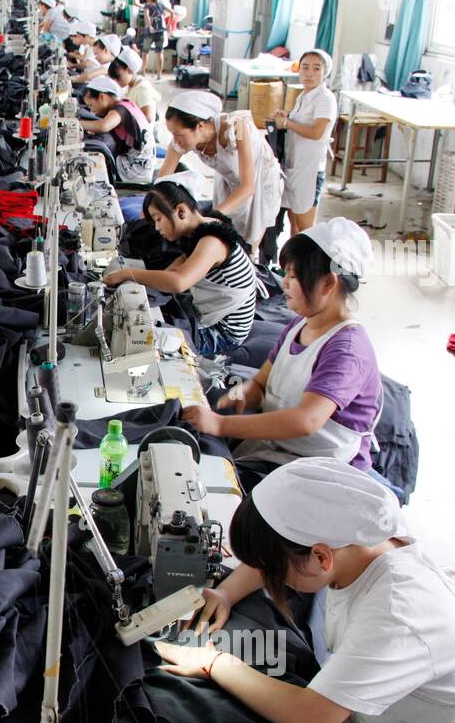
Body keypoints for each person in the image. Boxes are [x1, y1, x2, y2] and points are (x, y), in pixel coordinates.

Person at [155, 458, 455, 723]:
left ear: (321, 556)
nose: (270, 579)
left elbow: (309, 717)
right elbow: (279, 549)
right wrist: (225, 593)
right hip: (362, 722)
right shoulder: (360, 538)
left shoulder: (399, 613)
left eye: (273, 571)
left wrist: (215, 663)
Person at [182, 219, 383, 486]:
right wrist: (237, 396)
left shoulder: (347, 351)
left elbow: (306, 421)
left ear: (327, 283)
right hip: (283, 452)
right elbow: (262, 384)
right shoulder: (299, 324)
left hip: (326, 474)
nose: (284, 284)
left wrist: (220, 424)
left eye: (293, 276)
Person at [103, 180, 257, 357]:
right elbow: (172, 273)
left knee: (140, 343)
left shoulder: (213, 242)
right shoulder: (202, 229)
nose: (157, 227)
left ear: (181, 211)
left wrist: (126, 274)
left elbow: (178, 282)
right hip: (208, 316)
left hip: (223, 333)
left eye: (158, 219)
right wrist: (129, 278)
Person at [159, 89, 284, 259]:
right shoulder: (181, 142)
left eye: (178, 134)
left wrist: (213, 214)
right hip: (229, 179)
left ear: (200, 126)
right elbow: (162, 182)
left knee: (246, 241)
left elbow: (248, 187)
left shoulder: (238, 128)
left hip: (259, 181)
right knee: (223, 235)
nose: (175, 139)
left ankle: (249, 266)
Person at [276, 49, 337, 235]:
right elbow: (300, 124)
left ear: (324, 72)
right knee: (294, 224)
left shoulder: (325, 99)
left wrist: (287, 123)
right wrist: (286, 117)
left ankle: (305, 264)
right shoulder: (304, 96)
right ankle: (291, 264)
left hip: (310, 171)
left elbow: (317, 132)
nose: (309, 73)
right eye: (305, 67)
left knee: (306, 229)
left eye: (316, 68)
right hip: (295, 167)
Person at [80, 75, 156, 185]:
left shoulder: (120, 109)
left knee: (94, 164)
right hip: (142, 165)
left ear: (102, 97)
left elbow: (103, 126)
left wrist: (77, 123)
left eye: (91, 105)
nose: (91, 111)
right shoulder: (126, 103)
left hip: (136, 170)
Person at [109, 46, 159, 124]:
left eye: (118, 77)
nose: (116, 82)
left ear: (130, 70)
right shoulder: (130, 85)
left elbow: (148, 119)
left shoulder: (142, 89)